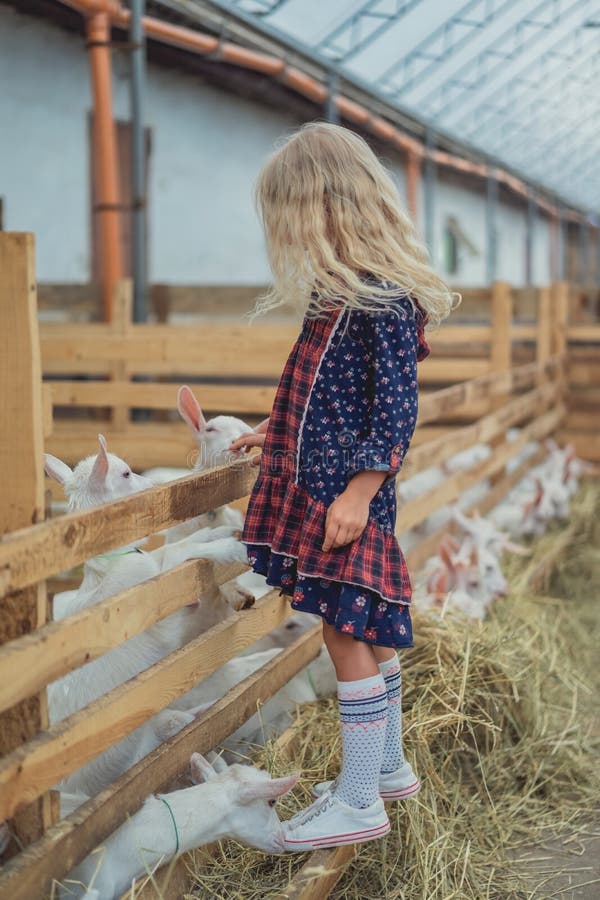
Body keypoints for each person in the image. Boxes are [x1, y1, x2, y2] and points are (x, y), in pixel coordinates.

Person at [229, 122, 459, 852]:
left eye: (294, 216)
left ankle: (358, 801)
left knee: (344, 631)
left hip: (342, 500)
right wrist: (280, 428)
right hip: (326, 486)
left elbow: (394, 409)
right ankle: (385, 769)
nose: (291, 235)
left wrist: (359, 494)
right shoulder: (341, 296)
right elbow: (327, 390)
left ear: (329, 207)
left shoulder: (381, 302)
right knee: (367, 632)